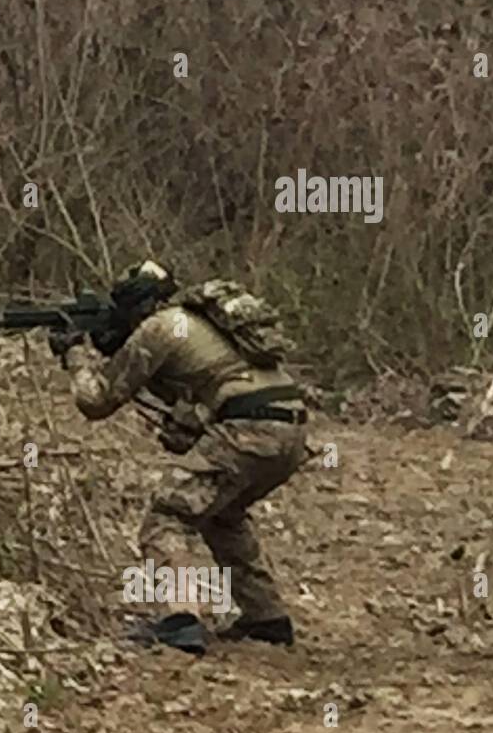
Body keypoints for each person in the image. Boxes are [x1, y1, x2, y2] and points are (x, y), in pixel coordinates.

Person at [48, 262, 308, 655]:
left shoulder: (161, 327)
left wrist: (75, 354)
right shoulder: (204, 325)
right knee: (222, 514)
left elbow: (96, 401)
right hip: (290, 429)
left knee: (167, 517)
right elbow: (210, 390)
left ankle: (179, 620)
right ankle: (266, 618)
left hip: (250, 429)